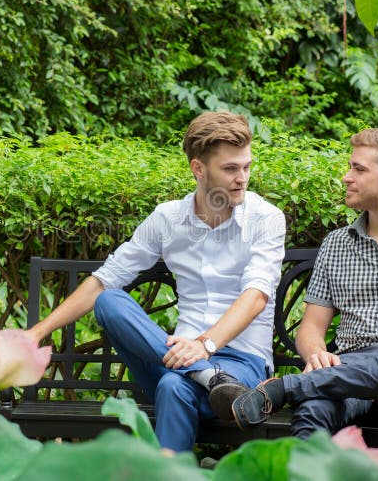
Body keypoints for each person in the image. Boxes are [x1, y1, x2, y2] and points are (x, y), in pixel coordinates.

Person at [27, 111, 286, 452]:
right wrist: (36, 333)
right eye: (230, 169)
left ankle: (201, 385)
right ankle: (206, 376)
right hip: (174, 356)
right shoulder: (168, 219)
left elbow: (256, 296)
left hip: (241, 364)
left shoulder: (266, 219)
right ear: (198, 169)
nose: (242, 178)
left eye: (246, 166)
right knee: (109, 301)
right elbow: (105, 280)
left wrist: (203, 346)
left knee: (172, 388)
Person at [210, 127, 378, 439]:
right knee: (312, 410)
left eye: (359, 169)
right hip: (348, 377)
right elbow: (311, 327)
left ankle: (287, 387)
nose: (346, 177)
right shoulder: (337, 243)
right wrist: (315, 354)